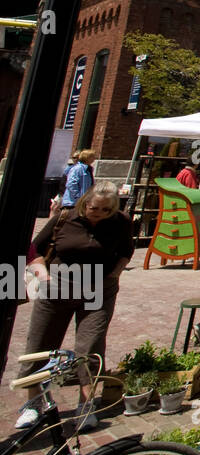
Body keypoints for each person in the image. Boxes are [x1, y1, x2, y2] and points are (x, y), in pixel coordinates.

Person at [14, 181, 134, 430]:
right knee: (41, 344)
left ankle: (86, 404)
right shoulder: (66, 217)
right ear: (85, 202)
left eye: (105, 210)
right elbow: (35, 249)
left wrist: (113, 276)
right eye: (94, 208)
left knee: (90, 346)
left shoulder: (120, 222)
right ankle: (34, 404)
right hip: (57, 287)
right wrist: (44, 277)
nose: (98, 213)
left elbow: (126, 250)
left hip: (97, 291)